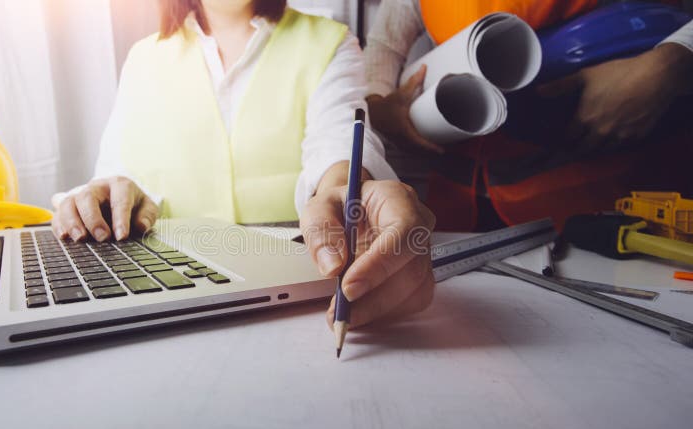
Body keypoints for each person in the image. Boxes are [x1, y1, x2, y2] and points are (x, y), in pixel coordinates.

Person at [51, 0, 436, 329]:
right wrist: (108, 196)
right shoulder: (143, 57)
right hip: (164, 306)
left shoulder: (331, 42)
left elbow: (336, 141)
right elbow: (117, 170)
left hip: (291, 311)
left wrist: (343, 191)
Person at [366, 0, 693, 231]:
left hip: (607, 205)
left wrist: (670, 62)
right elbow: (384, 47)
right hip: (462, 207)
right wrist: (377, 105)